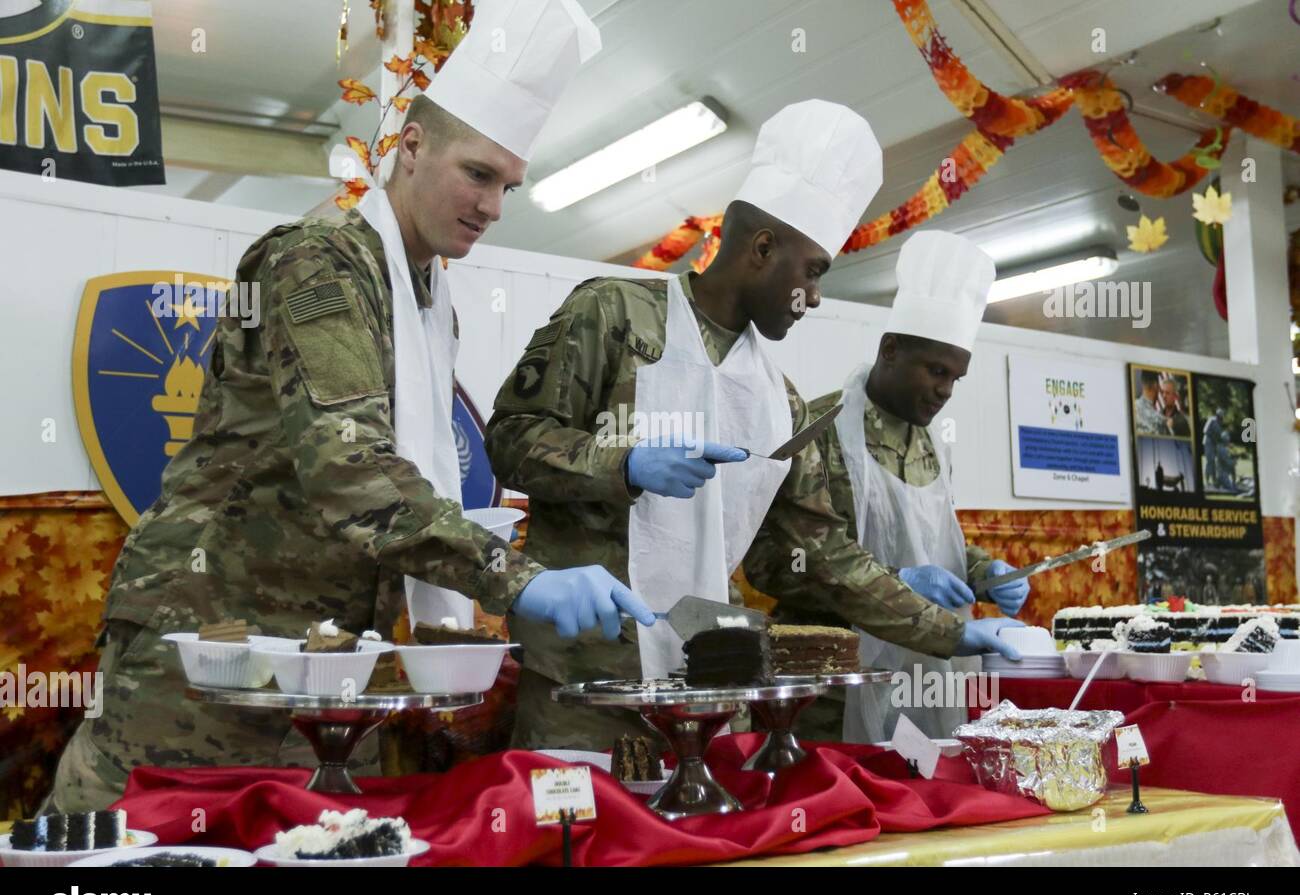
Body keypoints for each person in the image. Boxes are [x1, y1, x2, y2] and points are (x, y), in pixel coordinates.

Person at [47, 0, 656, 813]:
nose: (493, 207)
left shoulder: (431, 297)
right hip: (212, 638)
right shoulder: (321, 263)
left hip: (329, 654)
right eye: (477, 174)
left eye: (509, 185)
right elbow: (350, 468)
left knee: (308, 844)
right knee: (131, 847)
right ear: (410, 146)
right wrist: (518, 578)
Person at [485, 101, 1023, 750]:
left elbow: (814, 555)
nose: (816, 297)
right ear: (763, 248)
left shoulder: (781, 406)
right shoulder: (615, 315)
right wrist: (620, 463)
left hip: (708, 685)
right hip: (584, 684)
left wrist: (951, 631)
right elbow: (510, 440)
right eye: (814, 270)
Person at [763, 230, 1029, 742]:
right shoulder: (816, 429)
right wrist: (897, 578)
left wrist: (983, 571)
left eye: (955, 378)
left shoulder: (932, 445)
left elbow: (932, 543)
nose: (944, 391)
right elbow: (771, 566)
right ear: (890, 350)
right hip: (828, 690)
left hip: (924, 685)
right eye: (935, 370)